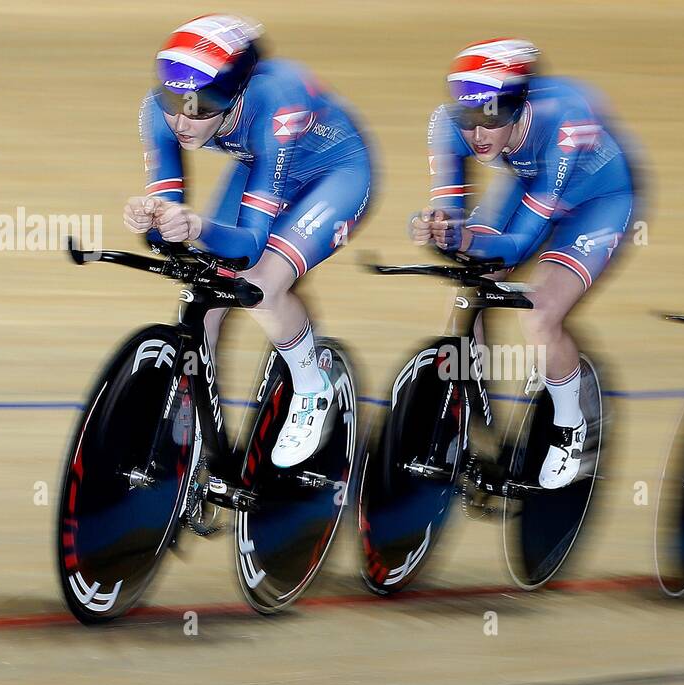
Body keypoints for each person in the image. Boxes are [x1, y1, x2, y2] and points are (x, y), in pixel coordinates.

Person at [124, 13, 372, 467]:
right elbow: (168, 219)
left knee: (259, 283)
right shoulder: (157, 110)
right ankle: (193, 410)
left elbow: (250, 246)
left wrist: (195, 226)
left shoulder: (277, 102)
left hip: (334, 173)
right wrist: (155, 217)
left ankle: (311, 386)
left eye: (200, 107)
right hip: (261, 163)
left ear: (235, 95)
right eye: (174, 100)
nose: (182, 119)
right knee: (205, 284)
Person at [410, 38, 637, 489]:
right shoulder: (446, 122)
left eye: (492, 120)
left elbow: (522, 241)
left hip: (597, 200)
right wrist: (433, 228)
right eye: (470, 120)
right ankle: (474, 424)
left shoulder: (565, 122)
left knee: (540, 315)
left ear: (519, 105)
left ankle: (571, 426)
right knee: (468, 286)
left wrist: (465, 239)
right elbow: (447, 214)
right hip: (531, 181)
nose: (478, 134)